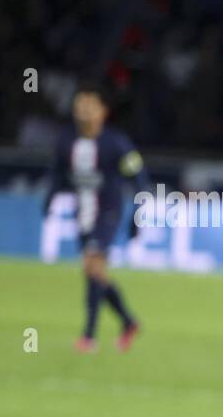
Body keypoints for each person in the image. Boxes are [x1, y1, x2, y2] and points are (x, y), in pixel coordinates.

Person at [45, 84, 148, 353]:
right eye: (79, 106)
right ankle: (128, 321)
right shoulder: (67, 141)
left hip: (108, 212)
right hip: (84, 214)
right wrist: (49, 199)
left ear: (103, 112)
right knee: (95, 272)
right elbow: (57, 173)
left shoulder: (116, 143)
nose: (84, 112)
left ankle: (88, 337)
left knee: (92, 266)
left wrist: (137, 216)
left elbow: (139, 180)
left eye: (90, 107)